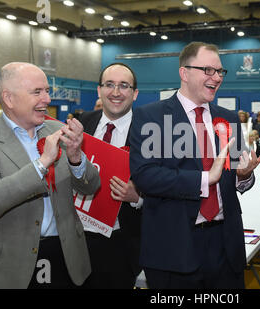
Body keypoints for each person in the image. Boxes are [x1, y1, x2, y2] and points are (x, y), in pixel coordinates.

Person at [129, 41, 260, 289]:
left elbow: (236, 178)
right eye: (208, 70)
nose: (217, 78)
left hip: (225, 245)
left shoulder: (229, 118)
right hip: (174, 249)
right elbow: (145, 176)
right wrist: (205, 178)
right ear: (184, 72)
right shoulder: (151, 117)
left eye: (220, 71)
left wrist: (243, 176)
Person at [0, 62, 100, 288]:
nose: (47, 100)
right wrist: (41, 164)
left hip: (65, 257)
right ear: (9, 99)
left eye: (47, 91)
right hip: (8, 264)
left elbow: (91, 187)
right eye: (37, 92)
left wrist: (75, 157)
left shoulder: (58, 131)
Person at [79, 63, 142, 288]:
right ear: (99, 90)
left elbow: (167, 187)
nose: (115, 93)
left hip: (120, 245)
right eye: (109, 85)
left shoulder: (149, 131)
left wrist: (138, 197)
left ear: (134, 94)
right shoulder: (84, 122)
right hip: (76, 239)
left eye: (124, 86)